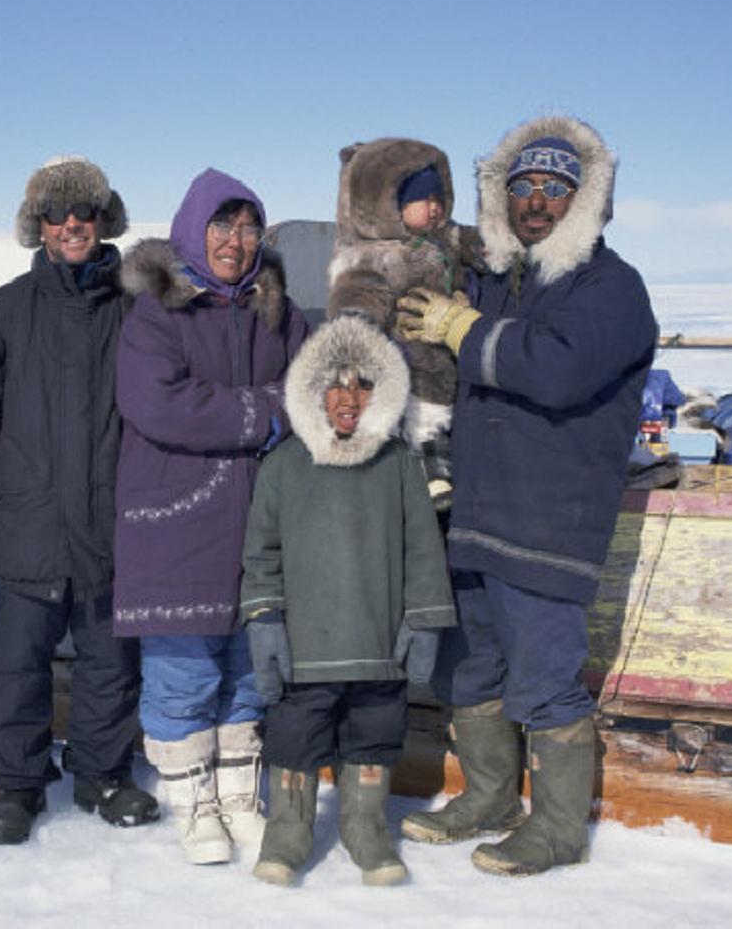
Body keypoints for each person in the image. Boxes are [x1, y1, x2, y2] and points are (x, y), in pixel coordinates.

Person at [394, 116, 658, 876]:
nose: (536, 201)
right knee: (467, 667)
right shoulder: (495, 279)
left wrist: (464, 329)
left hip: (549, 519)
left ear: (586, 201)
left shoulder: (611, 288)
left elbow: (557, 368)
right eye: (523, 188)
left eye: (554, 188)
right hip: (474, 512)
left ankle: (559, 828)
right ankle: (487, 798)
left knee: (544, 676)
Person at [0, 156, 158, 846]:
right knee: (17, 663)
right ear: (37, 226)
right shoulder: (0, 316)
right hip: (31, 521)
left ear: (106, 220)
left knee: (112, 660)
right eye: (57, 215)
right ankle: (17, 784)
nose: (73, 225)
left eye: (85, 213)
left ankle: (102, 773)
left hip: (115, 520)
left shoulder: (140, 309)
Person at [113, 168, 309, 865]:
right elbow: (159, 403)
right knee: (184, 669)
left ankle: (236, 795)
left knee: (249, 667)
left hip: (259, 520)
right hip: (177, 517)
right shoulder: (156, 313)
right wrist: (263, 412)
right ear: (193, 231)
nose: (235, 240)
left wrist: (272, 404)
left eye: (248, 226)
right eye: (222, 225)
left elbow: (310, 386)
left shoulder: (278, 312)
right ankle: (191, 800)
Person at [239, 314, 455, 887]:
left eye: (363, 384)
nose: (349, 397)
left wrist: (426, 619)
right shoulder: (282, 465)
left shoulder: (399, 466)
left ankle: (366, 829)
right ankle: (288, 832)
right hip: (305, 650)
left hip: (379, 645)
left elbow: (423, 549)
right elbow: (261, 551)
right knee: (295, 737)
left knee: (374, 734)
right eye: (335, 383)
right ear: (312, 392)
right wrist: (264, 620)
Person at [327, 138, 484, 509]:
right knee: (419, 411)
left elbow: (476, 245)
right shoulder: (380, 254)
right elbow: (360, 287)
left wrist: (490, 249)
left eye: (437, 200)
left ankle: (442, 463)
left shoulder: (447, 238)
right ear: (393, 205)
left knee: (444, 407)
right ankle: (428, 472)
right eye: (422, 201)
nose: (433, 209)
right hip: (410, 349)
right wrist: (357, 318)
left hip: (449, 349)